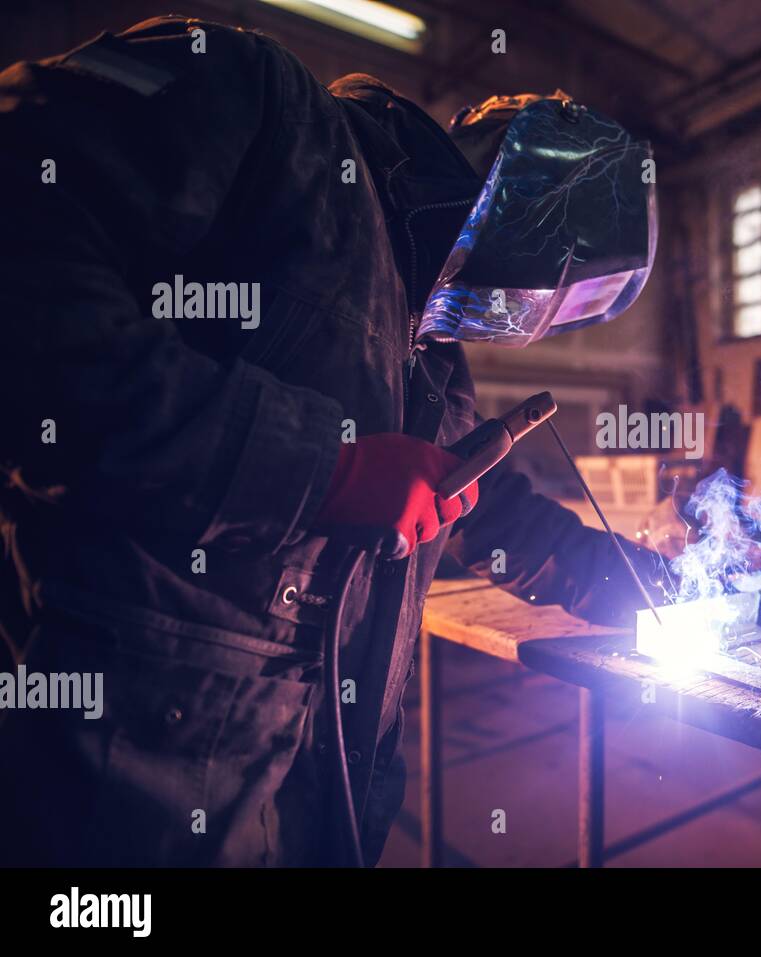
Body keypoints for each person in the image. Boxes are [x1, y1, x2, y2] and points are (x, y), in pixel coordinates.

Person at [0, 16, 664, 866]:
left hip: (303, 810)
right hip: (105, 791)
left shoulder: (429, 360)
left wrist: (647, 588)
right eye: (551, 289)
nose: (529, 322)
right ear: (524, 197)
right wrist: (324, 468)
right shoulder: (261, 110)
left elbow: (486, 507)